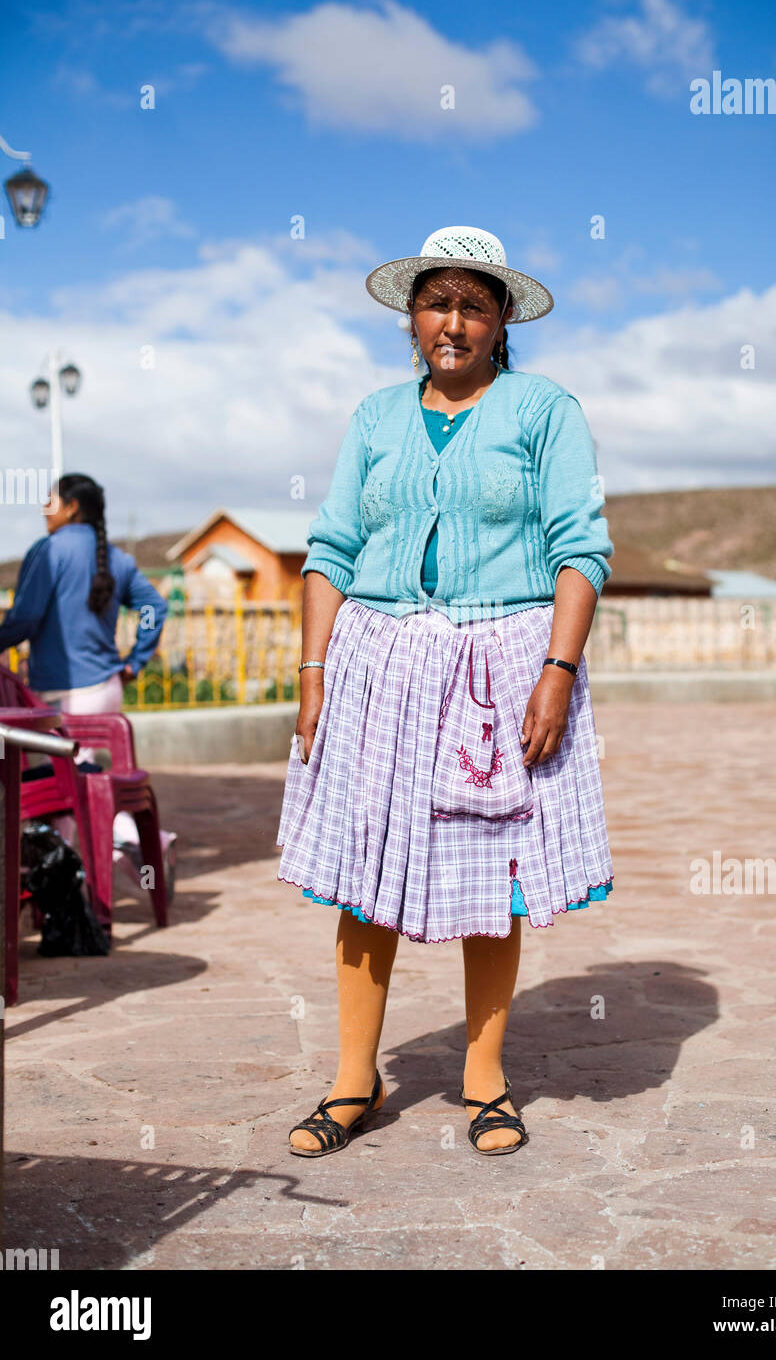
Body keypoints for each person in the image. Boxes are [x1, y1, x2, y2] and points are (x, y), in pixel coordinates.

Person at [277, 226, 614, 1158]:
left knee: (490, 868)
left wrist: (557, 671)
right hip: (375, 663)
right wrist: (312, 677)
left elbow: (580, 547)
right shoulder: (377, 418)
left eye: (474, 303)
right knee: (362, 870)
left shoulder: (543, 410)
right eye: (437, 302)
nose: (452, 321)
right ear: (411, 316)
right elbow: (331, 551)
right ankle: (355, 1080)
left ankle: (484, 1077)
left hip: (502, 661)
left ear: (503, 320)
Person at [0, 472, 175, 872]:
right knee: (79, 780)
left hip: (65, 695)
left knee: (61, 789)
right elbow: (154, 608)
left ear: (72, 507)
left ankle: (72, 885)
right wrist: (136, 660)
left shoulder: (49, 551)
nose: (44, 509)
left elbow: (25, 619)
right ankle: (138, 845)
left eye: (50, 501)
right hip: (105, 687)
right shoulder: (116, 558)